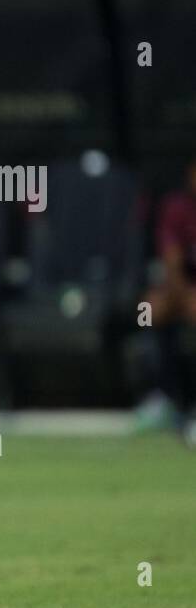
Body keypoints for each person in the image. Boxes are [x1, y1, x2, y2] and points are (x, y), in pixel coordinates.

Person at [135, 158, 196, 435]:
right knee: (147, 310)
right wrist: (184, 297)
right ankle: (163, 395)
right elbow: (172, 261)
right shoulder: (176, 207)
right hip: (183, 288)